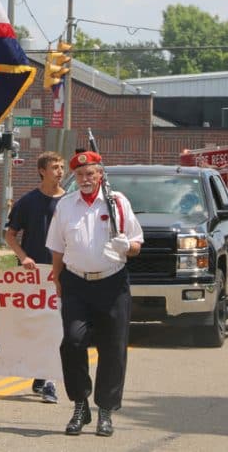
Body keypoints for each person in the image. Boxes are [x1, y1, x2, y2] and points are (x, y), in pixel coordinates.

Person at [46, 150, 144, 437]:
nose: (86, 179)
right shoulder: (66, 206)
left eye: (91, 174)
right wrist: (58, 279)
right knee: (73, 343)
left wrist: (127, 246)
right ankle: (80, 404)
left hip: (112, 283)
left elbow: (137, 243)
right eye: (80, 175)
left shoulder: (117, 202)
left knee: (112, 348)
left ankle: (105, 410)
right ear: (74, 178)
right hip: (76, 282)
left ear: (100, 175)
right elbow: (57, 247)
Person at [4, 151, 66, 405]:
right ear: (42, 170)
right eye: (55, 167)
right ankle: (41, 374)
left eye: (62, 167)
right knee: (37, 326)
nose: (60, 171)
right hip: (34, 274)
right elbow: (10, 235)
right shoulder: (28, 201)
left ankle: (49, 379)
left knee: (57, 326)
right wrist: (24, 257)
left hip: (63, 273)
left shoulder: (70, 201)